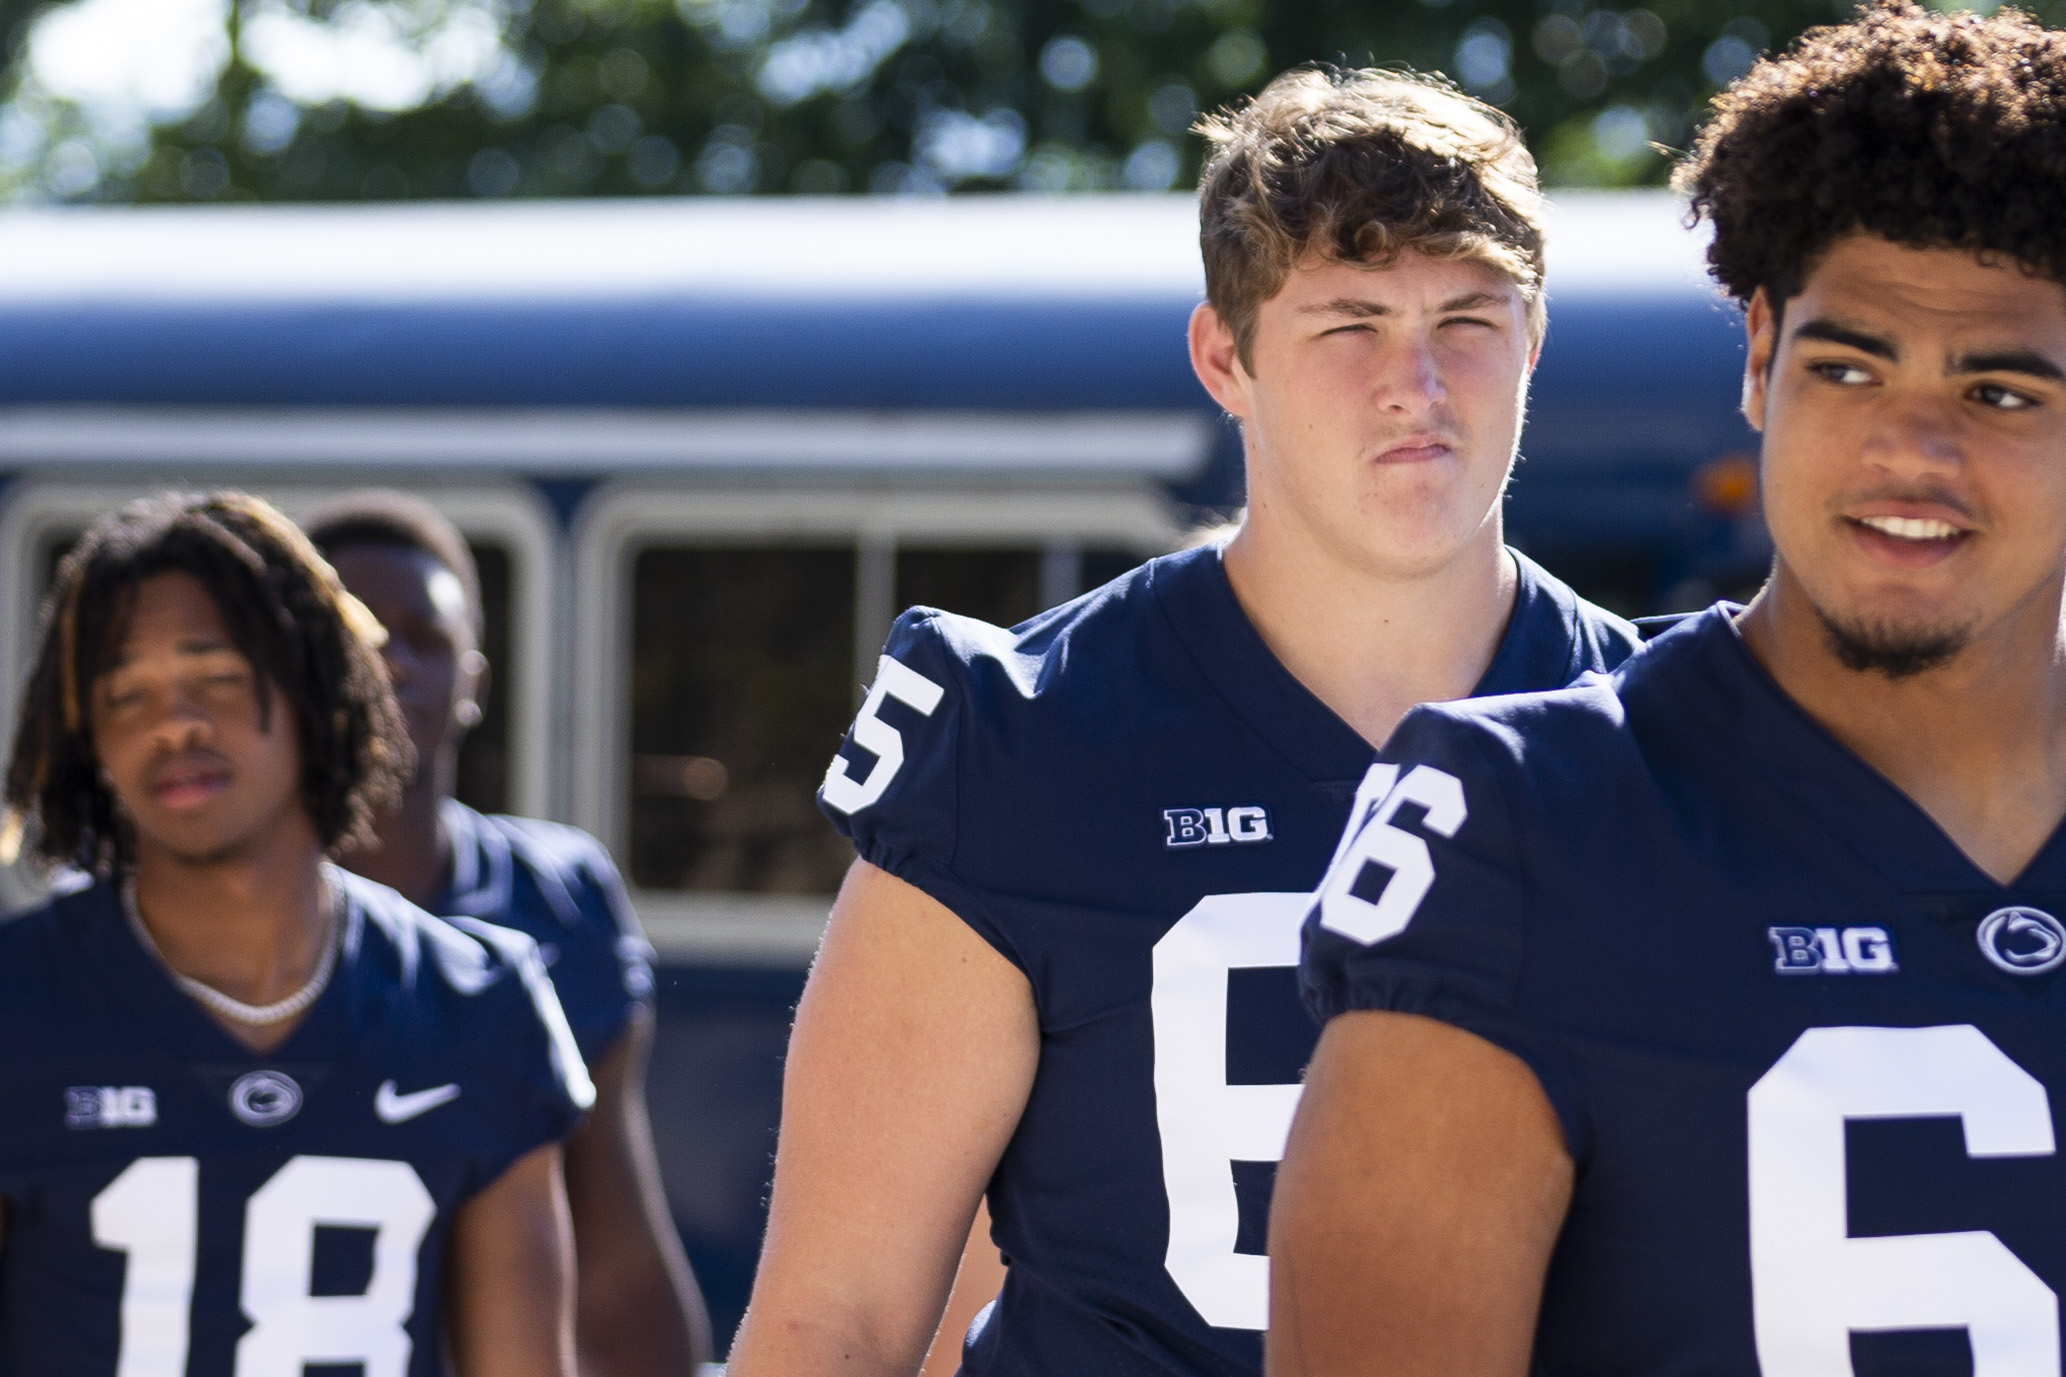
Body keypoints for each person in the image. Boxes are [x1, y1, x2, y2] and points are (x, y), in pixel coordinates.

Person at [728, 66, 1641, 1377]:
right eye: (1349, 324)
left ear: (1535, 335)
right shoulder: (1024, 736)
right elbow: (838, 1322)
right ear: (1226, 356)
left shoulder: (1660, 736)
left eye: (1467, 318)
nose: (1417, 381)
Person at [1276, 6, 2066, 1372]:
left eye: (1999, 394)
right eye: (1848, 366)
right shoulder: (1523, 824)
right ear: (1758, 359)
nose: (1910, 448)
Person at [0, 491, 592, 1375]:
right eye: (126, 692)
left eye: (217, 676)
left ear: (316, 683)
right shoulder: (19, 999)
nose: (176, 721)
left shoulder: (480, 1002)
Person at [302, 489, 711, 1376]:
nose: (392, 664)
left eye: (425, 636)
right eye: (357, 637)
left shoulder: (560, 897)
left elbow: (617, 1256)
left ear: (474, 679)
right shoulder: (210, 907)